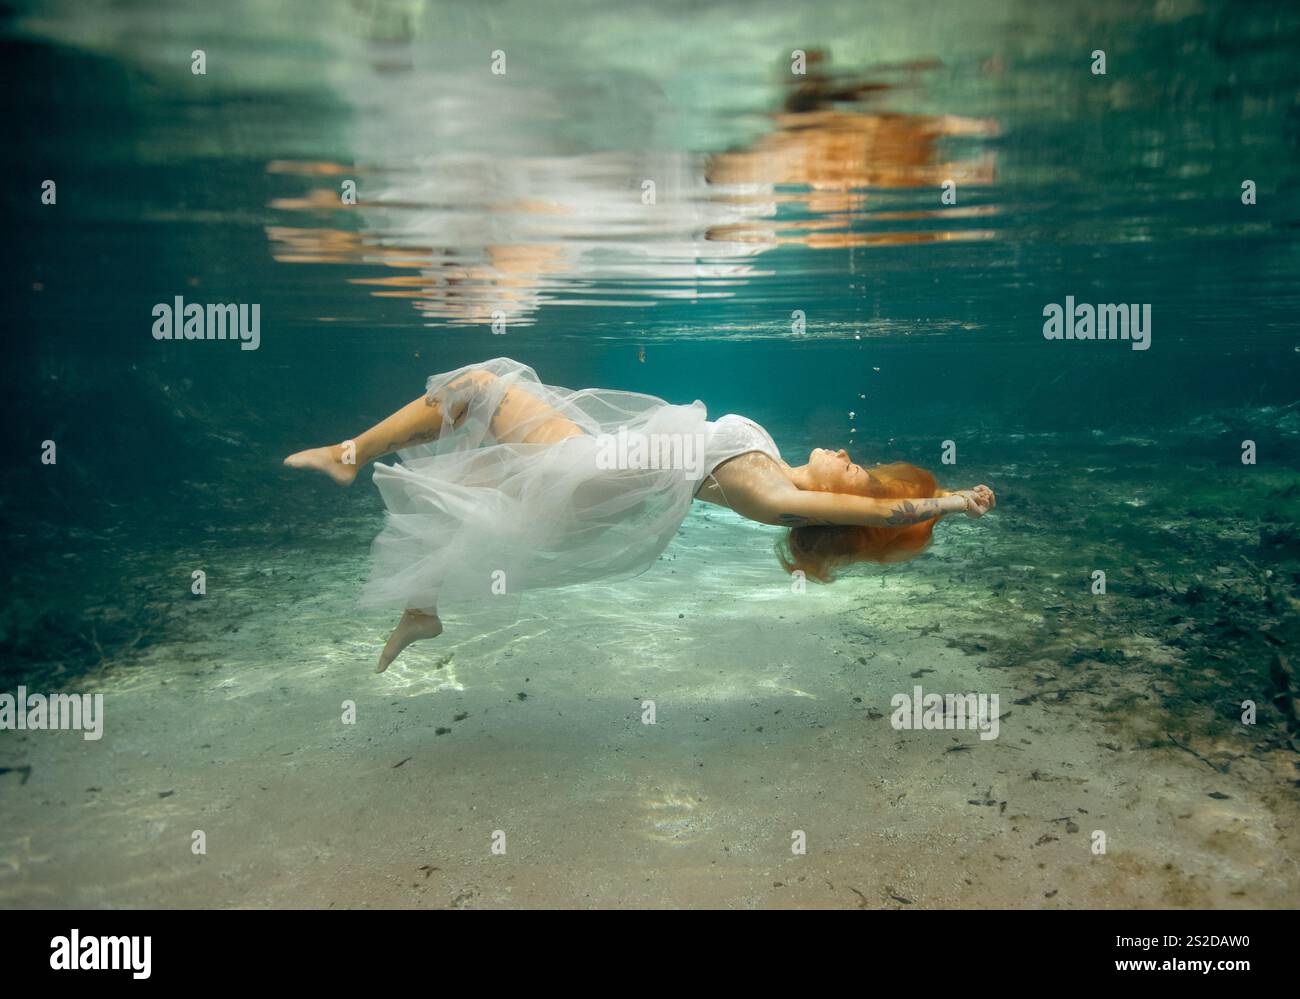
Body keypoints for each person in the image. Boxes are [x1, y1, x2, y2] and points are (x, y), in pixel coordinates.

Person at [284, 358, 994, 671]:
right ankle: (422, 607)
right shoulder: (773, 465)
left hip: (600, 469)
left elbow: (883, 507)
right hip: (605, 459)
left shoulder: (777, 498)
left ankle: (349, 453)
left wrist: (951, 503)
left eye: (854, 470)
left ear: (843, 501)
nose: (845, 452)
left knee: (478, 388)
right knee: (474, 478)